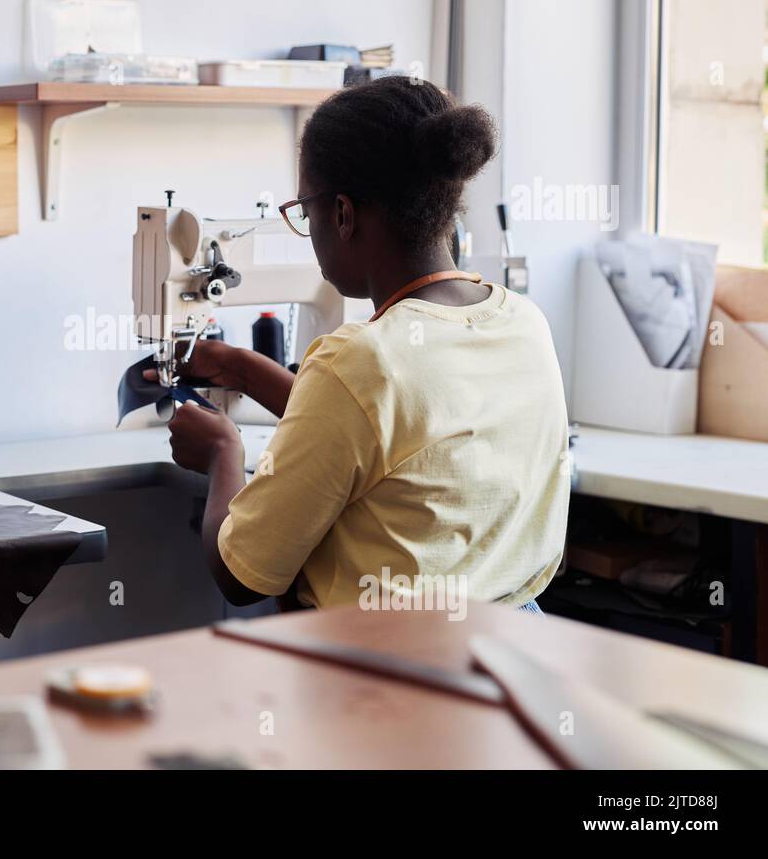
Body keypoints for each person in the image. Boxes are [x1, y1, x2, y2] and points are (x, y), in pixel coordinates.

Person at [160, 77, 568, 612]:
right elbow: (392, 433)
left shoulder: (359, 360)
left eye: (305, 212)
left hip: (387, 669)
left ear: (344, 215)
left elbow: (243, 575)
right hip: (510, 649)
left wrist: (222, 454)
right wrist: (241, 369)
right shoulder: (523, 322)